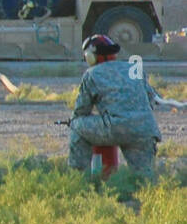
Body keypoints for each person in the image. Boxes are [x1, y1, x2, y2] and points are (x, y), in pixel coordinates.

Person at [68, 34, 161, 174]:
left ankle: (79, 177)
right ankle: (148, 192)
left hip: (116, 128)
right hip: (145, 130)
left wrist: (73, 121)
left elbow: (81, 110)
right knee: (144, 179)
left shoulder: (92, 74)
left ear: (90, 56)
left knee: (76, 125)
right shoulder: (134, 69)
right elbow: (151, 99)